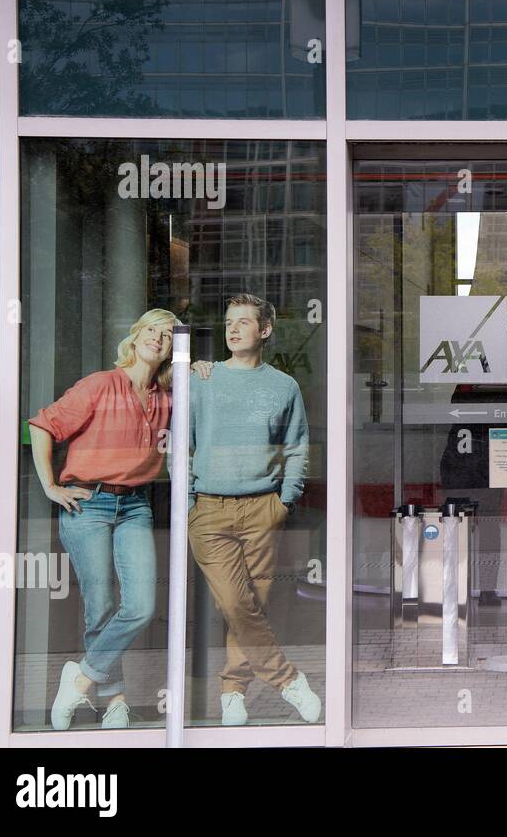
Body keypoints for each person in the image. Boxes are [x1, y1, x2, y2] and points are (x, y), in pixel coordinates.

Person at [31, 308, 179, 730]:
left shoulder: (166, 398)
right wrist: (49, 486)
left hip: (134, 505)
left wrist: (201, 366)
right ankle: (114, 698)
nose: (158, 337)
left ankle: (78, 680)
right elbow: (44, 426)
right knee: (100, 608)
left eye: (167, 335)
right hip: (88, 504)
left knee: (140, 607)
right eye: (152, 329)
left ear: (173, 349)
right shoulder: (100, 384)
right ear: (134, 338)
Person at [189, 293, 320, 726]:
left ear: (264, 330)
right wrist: (190, 498)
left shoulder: (284, 385)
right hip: (209, 510)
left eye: (243, 322)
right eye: (229, 321)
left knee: (250, 606)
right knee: (236, 601)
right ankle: (286, 680)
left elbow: (297, 446)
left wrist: (285, 499)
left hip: (263, 507)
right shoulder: (202, 379)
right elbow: (178, 441)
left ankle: (233, 690)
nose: (232, 329)